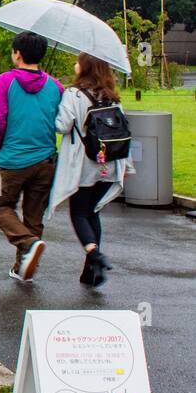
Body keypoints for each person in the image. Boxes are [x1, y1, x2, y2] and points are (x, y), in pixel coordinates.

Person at [48, 52, 133, 287]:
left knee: (78, 213)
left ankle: (94, 253)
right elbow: (122, 130)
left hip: (83, 165)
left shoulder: (73, 94)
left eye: (78, 61)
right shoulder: (112, 97)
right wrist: (128, 166)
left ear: (85, 68)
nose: (75, 64)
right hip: (109, 164)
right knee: (93, 211)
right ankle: (91, 271)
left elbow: (61, 126)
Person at [0, 31, 63, 283]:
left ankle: (29, 245)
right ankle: (23, 268)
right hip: (46, 162)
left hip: (8, 161)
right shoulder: (56, 86)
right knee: (33, 215)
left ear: (17, 54)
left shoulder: (4, 81)